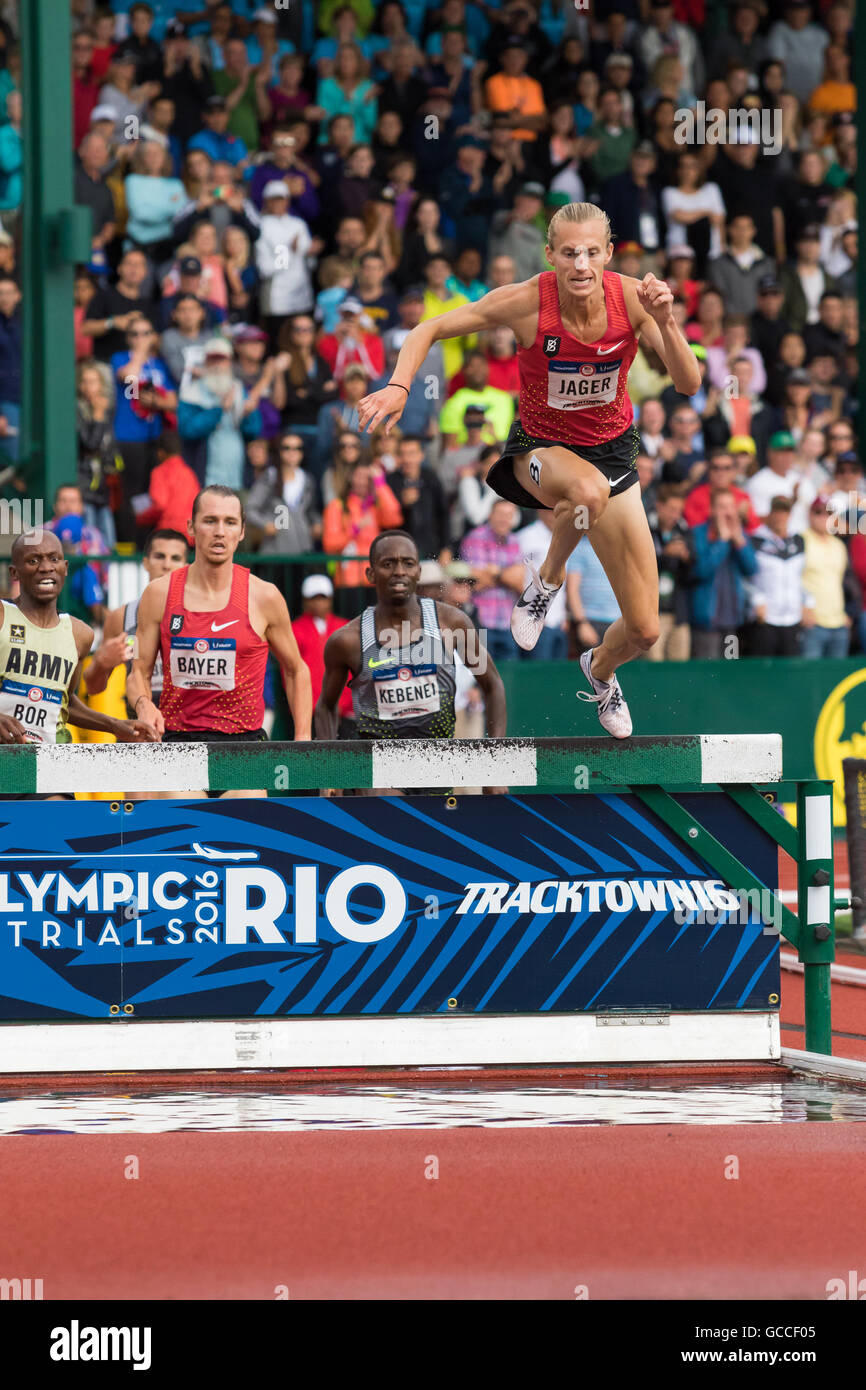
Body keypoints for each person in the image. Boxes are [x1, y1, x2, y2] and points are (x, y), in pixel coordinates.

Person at [358, 199, 700, 738]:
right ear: (550, 255)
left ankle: (601, 670)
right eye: (569, 253)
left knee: (645, 630)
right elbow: (427, 329)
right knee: (585, 492)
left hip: (615, 458)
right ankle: (546, 581)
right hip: (539, 451)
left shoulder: (635, 299)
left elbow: (688, 383)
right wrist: (400, 384)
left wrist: (666, 321)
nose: (581, 265)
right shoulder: (524, 303)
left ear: (609, 254)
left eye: (592, 252)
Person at [132, 485, 313, 797]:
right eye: (210, 521)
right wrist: (144, 703)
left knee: (245, 824)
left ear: (242, 531)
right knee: (185, 821)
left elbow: (297, 670)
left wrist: (303, 740)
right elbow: (138, 672)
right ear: (190, 527)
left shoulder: (264, 596)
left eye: (230, 522)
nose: (219, 532)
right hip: (179, 743)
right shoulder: (159, 594)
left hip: (242, 746)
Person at [315, 529, 507, 796]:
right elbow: (325, 706)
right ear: (370, 574)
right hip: (379, 768)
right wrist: (329, 773)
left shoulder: (451, 623)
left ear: (418, 571)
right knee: (381, 800)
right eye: (388, 564)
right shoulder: (348, 640)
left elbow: (493, 685)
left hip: (437, 764)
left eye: (407, 563)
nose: (399, 571)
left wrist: (495, 768)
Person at [0, 531, 155, 775]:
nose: (45, 568)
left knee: (58, 810)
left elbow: (66, 702)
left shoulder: (79, 634)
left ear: (65, 567)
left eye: (54, 559)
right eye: (33, 560)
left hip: (49, 763)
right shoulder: (2, 615)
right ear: (14, 572)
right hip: (4, 760)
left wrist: (115, 725)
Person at [84, 529, 190, 792]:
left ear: (187, 565)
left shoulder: (200, 614)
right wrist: (100, 663)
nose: (167, 564)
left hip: (188, 726)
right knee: (141, 817)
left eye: (176, 558)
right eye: (159, 556)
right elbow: (95, 687)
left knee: (184, 810)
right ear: (145, 561)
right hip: (140, 729)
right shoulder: (122, 617)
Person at [291, 573, 354, 737]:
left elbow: (353, 670)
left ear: (330, 599)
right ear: (306, 601)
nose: (319, 603)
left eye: (322, 597)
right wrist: (309, 706)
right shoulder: (295, 630)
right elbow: (291, 673)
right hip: (310, 712)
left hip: (345, 712)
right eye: (314, 598)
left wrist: (342, 704)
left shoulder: (344, 627)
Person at [746, 496, 808, 657]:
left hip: (792, 618)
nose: (781, 516)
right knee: (764, 673)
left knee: (790, 672)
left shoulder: (798, 540)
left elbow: (801, 577)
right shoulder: (755, 540)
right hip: (765, 618)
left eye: (785, 511)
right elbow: (744, 576)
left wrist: (807, 601)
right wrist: (756, 599)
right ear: (770, 513)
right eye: (777, 511)